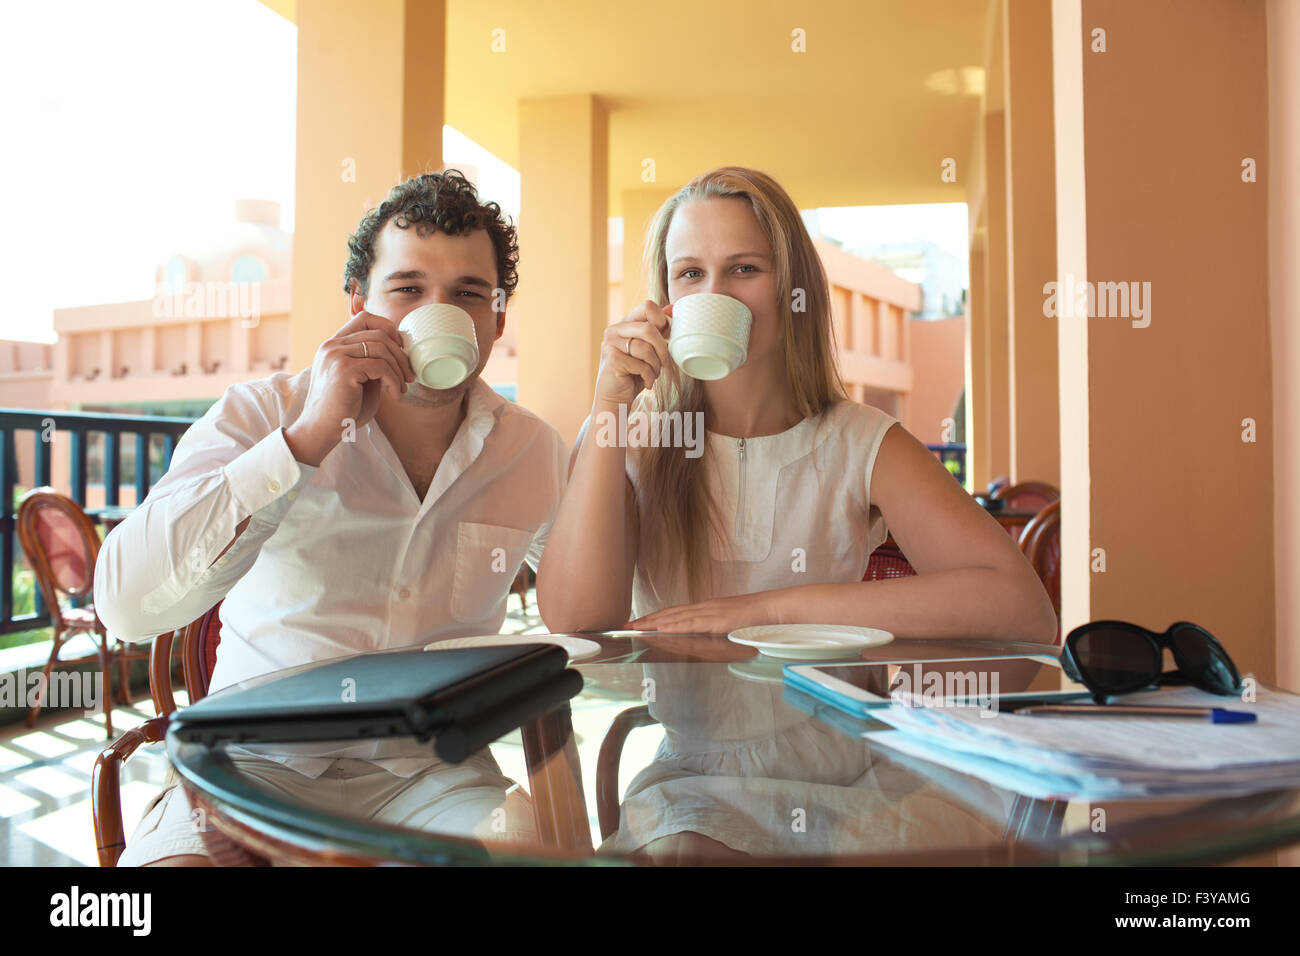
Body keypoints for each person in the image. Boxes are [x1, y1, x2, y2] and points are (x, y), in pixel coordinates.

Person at [95, 169, 568, 866]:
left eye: (469, 294)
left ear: (497, 318)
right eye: (408, 289)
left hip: (438, 776)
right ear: (359, 304)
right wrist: (303, 443)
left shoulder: (532, 451)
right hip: (250, 764)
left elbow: (595, 608)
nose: (437, 311)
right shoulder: (264, 414)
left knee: (523, 854)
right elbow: (126, 607)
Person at [536, 165, 1057, 643]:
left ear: (793, 289)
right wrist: (609, 405)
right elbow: (577, 621)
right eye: (691, 273)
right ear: (666, 296)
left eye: (744, 269)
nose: (715, 295)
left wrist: (770, 612)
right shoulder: (627, 434)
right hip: (679, 722)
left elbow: (1024, 610)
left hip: (828, 720)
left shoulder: (862, 441)